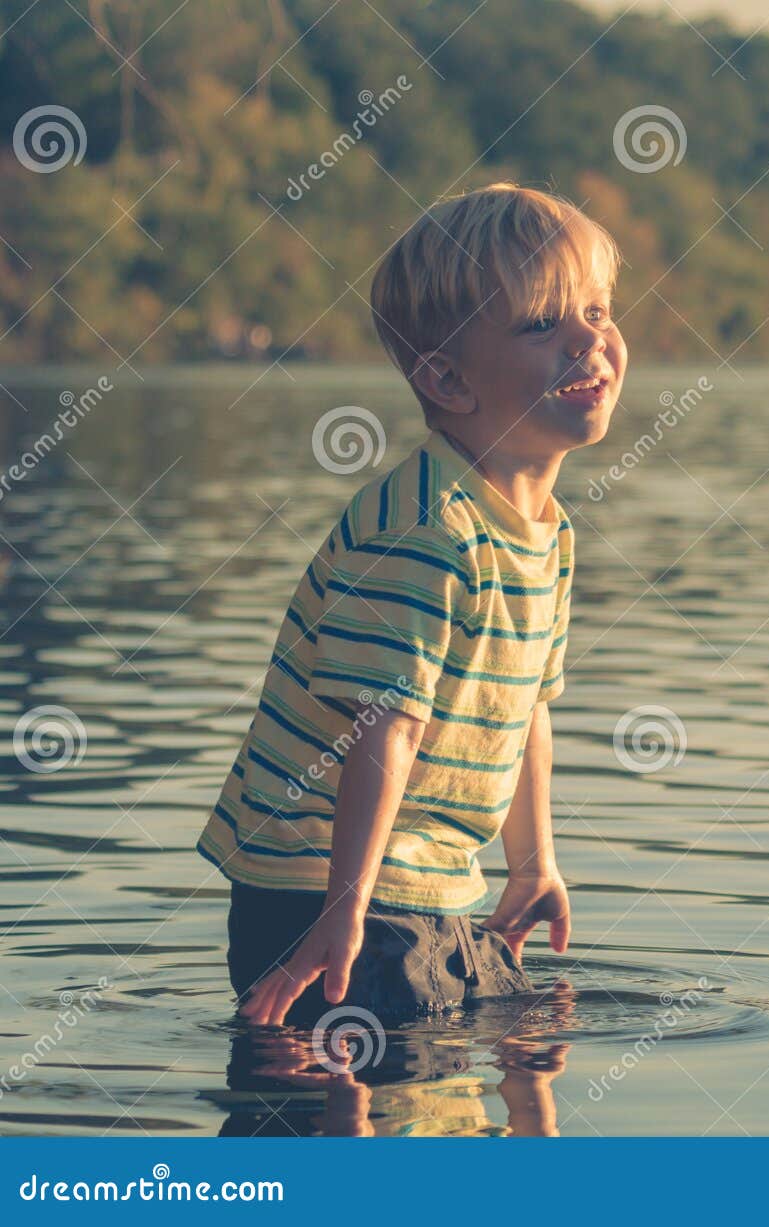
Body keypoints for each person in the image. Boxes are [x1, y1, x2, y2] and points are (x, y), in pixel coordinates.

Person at [194, 182, 626, 1026]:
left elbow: (525, 706)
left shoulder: (546, 533)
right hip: (319, 878)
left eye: (599, 310)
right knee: (376, 1087)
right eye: (543, 324)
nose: (590, 340)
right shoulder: (424, 530)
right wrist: (343, 910)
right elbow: (384, 723)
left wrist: (533, 864)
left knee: (453, 1082)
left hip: (422, 876)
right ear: (447, 379)